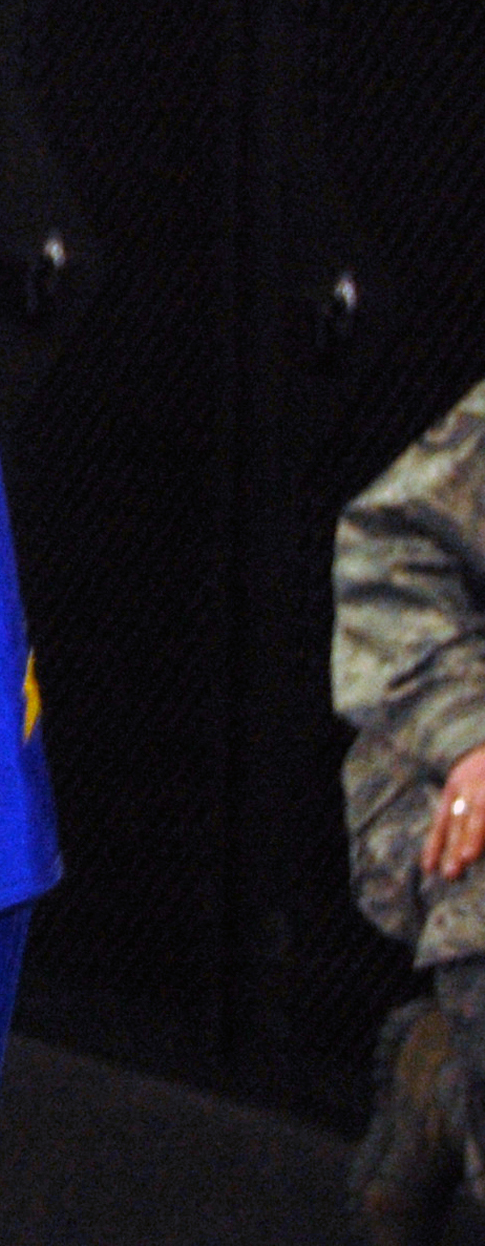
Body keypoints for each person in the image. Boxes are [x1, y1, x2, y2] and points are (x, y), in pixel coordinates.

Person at [338, 380, 485, 1246]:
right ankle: (452, 1092)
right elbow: (388, 552)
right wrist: (468, 736)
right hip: (459, 767)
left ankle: (446, 1082)